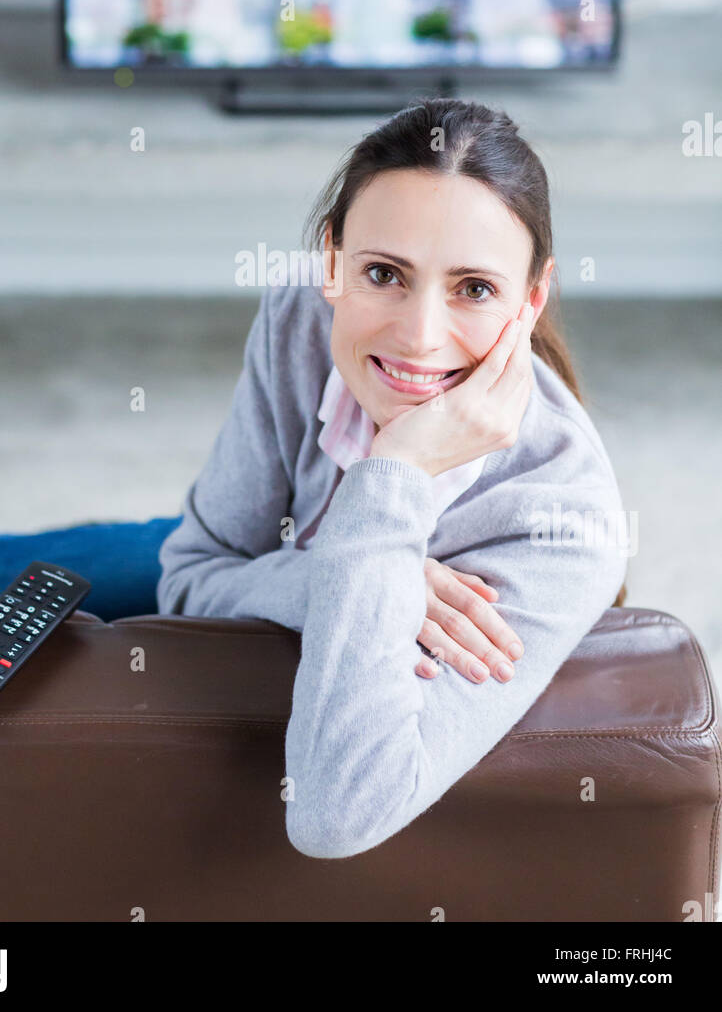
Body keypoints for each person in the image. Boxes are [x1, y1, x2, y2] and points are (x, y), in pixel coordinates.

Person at [156, 97, 630, 860]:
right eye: (383, 273)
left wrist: (396, 473)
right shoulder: (302, 317)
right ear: (333, 261)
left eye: (474, 288)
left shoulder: (569, 527)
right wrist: (344, 580)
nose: (419, 337)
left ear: (531, 298)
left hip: (263, 567)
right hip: (265, 563)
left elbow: (335, 815)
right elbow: (188, 572)